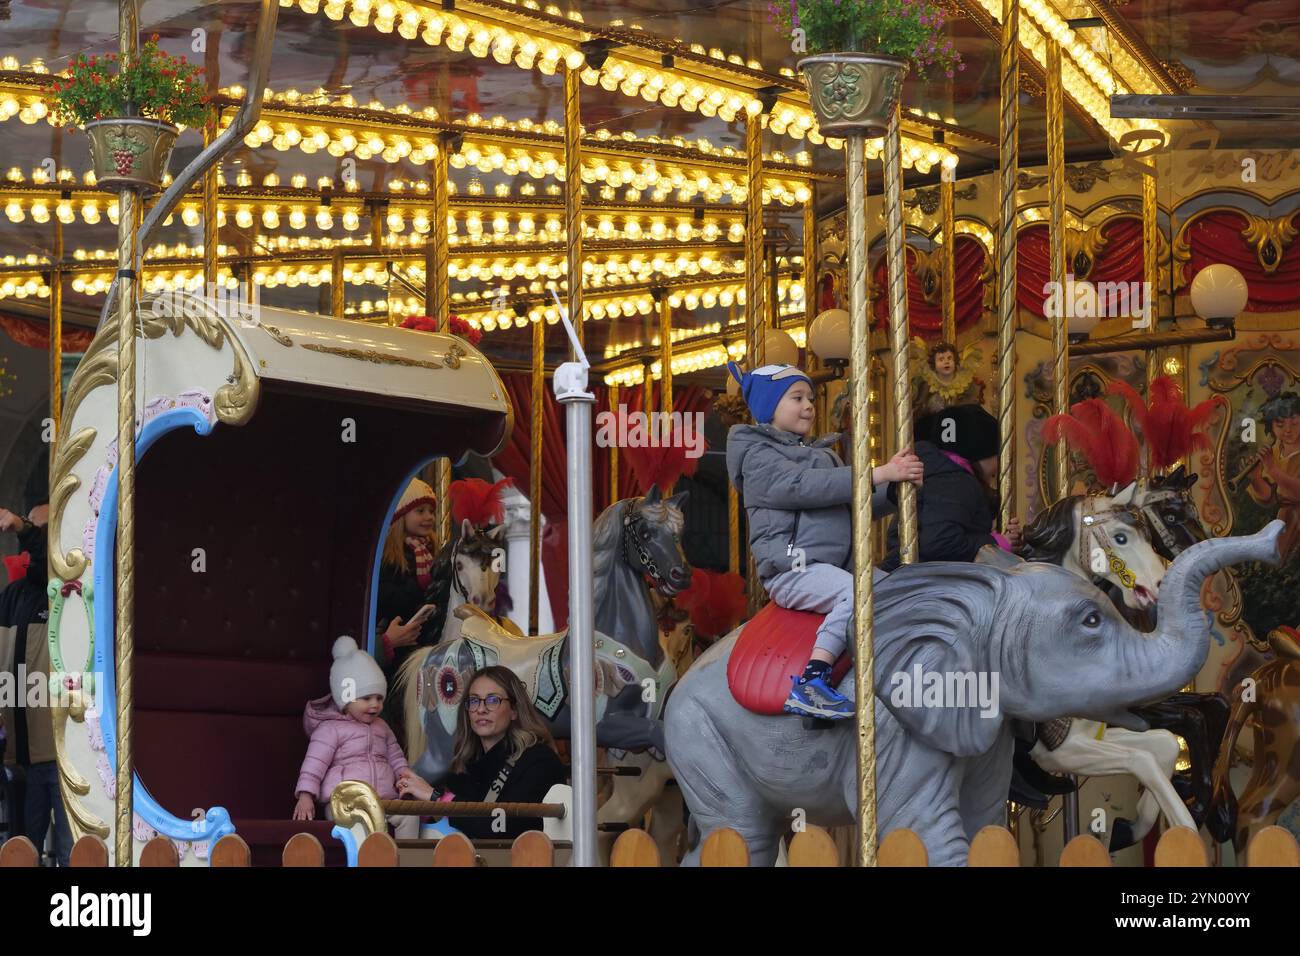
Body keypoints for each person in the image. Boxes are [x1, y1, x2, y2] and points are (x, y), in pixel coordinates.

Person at [725, 362, 923, 720]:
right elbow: (801, 487)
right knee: (856, 592)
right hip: (791, 568)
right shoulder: (758, 456)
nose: (809, 405)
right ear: (769, 407)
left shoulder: (822, 454)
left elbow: (849, 502)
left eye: (811, 398)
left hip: (832, 567)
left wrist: (895, 492)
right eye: (797, 397)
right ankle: (812, 682)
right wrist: (877, 473)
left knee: (902, 594)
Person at [396, 666, 566, 839]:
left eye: (493, 700)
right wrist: (421, 808)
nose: (481, 709)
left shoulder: (540, 761)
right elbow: (457, 825)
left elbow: (503, 829)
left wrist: (436, 798)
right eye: (474, 701)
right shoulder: (466, 764)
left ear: (514, 710)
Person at [0, 503, 73, 866]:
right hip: (19, 758)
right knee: (21, 853)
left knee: (70, 854)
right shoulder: (11, 598)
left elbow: (49, 563)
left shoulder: (63, 589)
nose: (29, 539)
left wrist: (21, 525)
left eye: (38, 531)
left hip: (60, 759)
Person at [293, 636, 419, 836]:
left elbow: (396, 758)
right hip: (346, 802)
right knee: (365, 827)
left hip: (383, 800)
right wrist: (306, 795)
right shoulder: (330, 729)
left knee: (411, 815)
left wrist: (405, 776)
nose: (375, 704)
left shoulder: (382, 727)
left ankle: (403, 858)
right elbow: (314, 764)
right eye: (366, 698)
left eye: (379, 698)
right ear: (346, 698)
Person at [881, 404, 1022, 570]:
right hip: (926, 582)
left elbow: (949, 517)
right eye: (997, 455)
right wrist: (994, 542)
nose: (998, 465)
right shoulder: (957, 481)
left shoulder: (937, 472)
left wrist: (1001, 534)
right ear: (979, 453)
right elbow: (939, 543)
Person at [1246, 391, 1300, 563]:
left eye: (1295, 423)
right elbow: (1269, 497)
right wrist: (1255, 478)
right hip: (1284, 522)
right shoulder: (1274, 451)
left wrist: (1273, 469)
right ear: (1271, 426)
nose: (1288, 430)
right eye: (1280, 425)